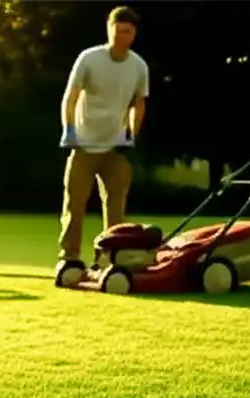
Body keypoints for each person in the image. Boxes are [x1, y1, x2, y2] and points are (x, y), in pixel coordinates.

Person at [54, 6, 149, 276]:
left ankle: (110, 257)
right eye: (117, 30)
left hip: (116, 145)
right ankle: (69, 257)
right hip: (83, 143)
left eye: (127, 32)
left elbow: (138, 104)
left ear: (133, 34)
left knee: (116, 207)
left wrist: (131, 134)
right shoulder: (89, 58)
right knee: (74, 204)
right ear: (109, 30)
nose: (121, 36)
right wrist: (68, 129)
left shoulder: (138, 66)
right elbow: (70, 97)